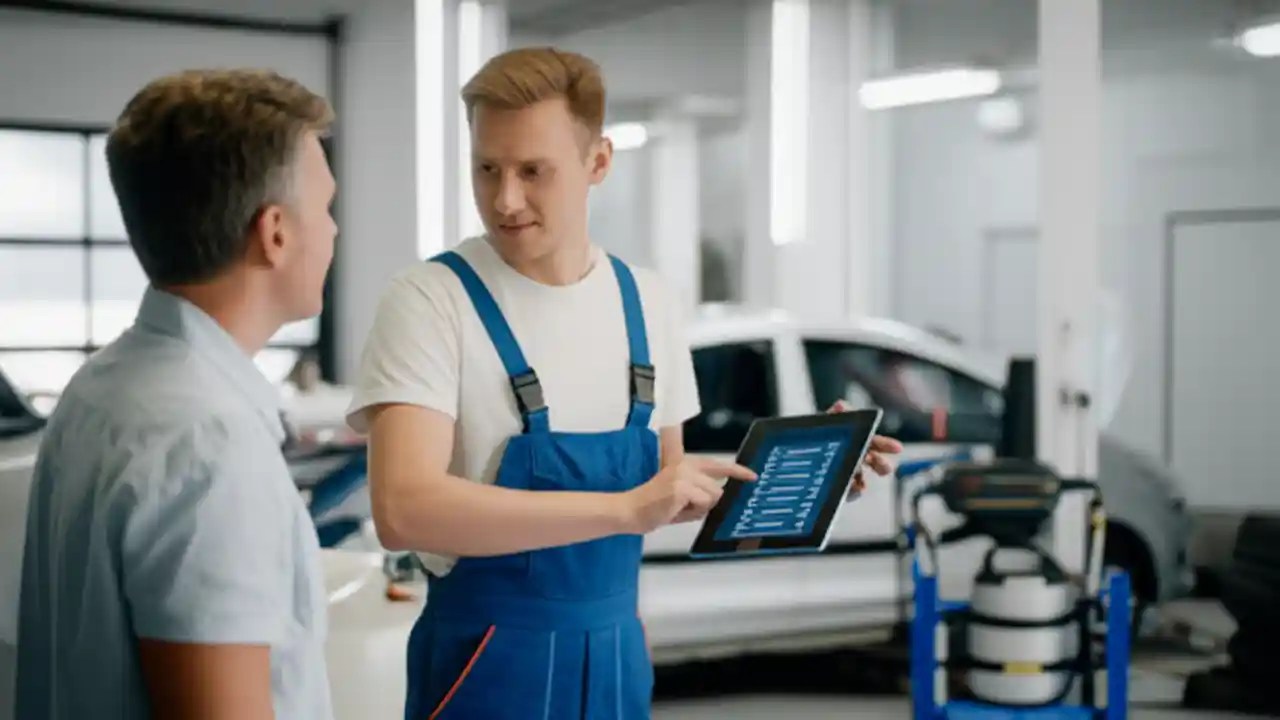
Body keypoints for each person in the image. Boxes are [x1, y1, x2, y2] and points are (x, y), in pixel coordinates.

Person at [345, 47, 901, 720]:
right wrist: (623, 509)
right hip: (484, 664)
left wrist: (808, 473)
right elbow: (406, 510)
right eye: (486, 168)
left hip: (616, 660)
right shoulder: (431, 299)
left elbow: (665, 487)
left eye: (532, 171)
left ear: (598, 163)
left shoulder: (647, 302)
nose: (505, 198)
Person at [15, 69, 337, 720]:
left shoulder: (103, 385)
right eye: (326, 208)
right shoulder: (208, 442)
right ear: (274, 232)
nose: (332, 230)